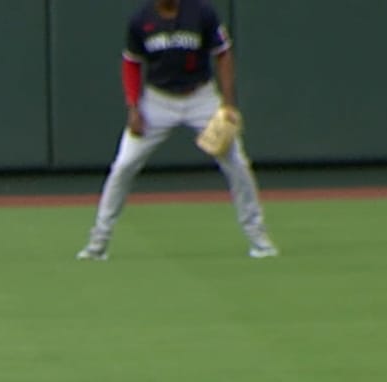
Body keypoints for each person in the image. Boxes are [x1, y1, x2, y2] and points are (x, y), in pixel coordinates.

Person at [76, 0, 277, 262]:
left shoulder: (201, 12)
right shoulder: (141, 19)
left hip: (201, 98)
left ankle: (258, 237)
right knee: (124, 165)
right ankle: (98, 242)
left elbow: (223, 53)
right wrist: (134, 107)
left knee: (236, 163)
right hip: (157, 101)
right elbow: (131, 64)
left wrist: (227, 103)